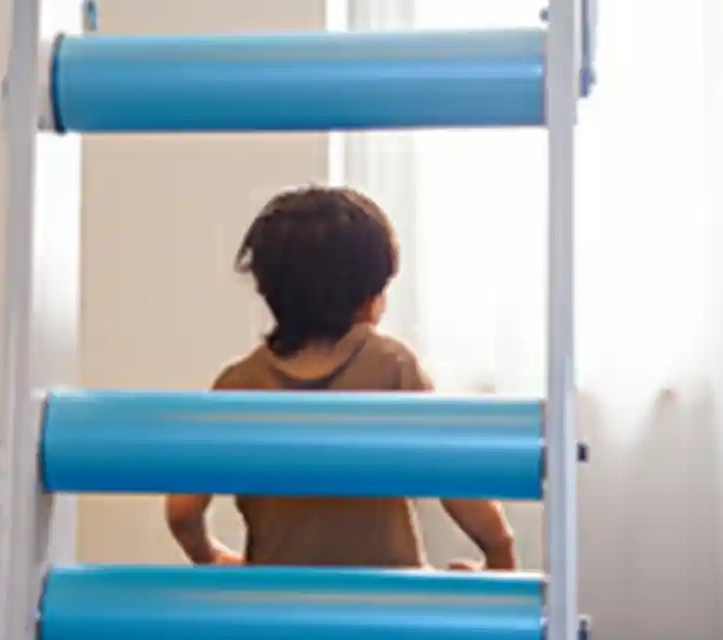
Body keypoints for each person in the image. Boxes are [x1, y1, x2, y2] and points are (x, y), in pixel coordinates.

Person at [165, 186, 516, 570]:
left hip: (278, 612)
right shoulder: (391, 367)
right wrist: (499, 551)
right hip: (381, 611)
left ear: (268, 290)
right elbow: (455, 479)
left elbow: (182, 510)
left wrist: (209, 555)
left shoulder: (239, 384)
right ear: (370, 298)